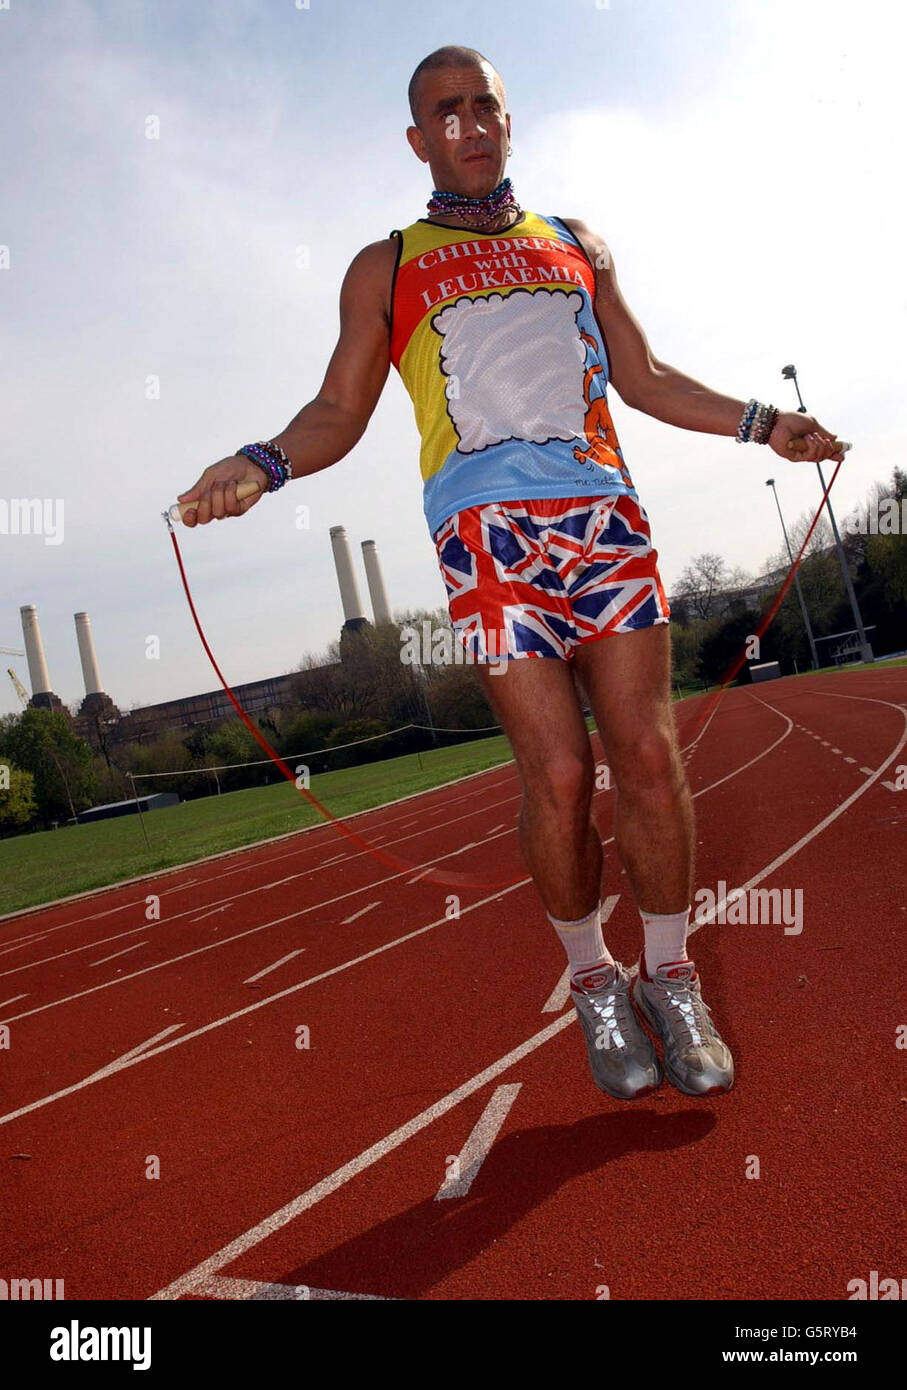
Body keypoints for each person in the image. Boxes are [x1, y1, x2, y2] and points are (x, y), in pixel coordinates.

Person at [178, 46, 846, 1101]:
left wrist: (767, 425)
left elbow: (646, 377)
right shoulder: (386, 264)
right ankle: (593, 982)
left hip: (602, 517)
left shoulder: (577, 242)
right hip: (486, 537)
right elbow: (340, 411)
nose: (470, 122)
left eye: (484, 102)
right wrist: (260, 464)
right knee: (560, 775)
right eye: (446, 111)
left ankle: (671, 978)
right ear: (417, 140)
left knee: (647, 752)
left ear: (506, 116)